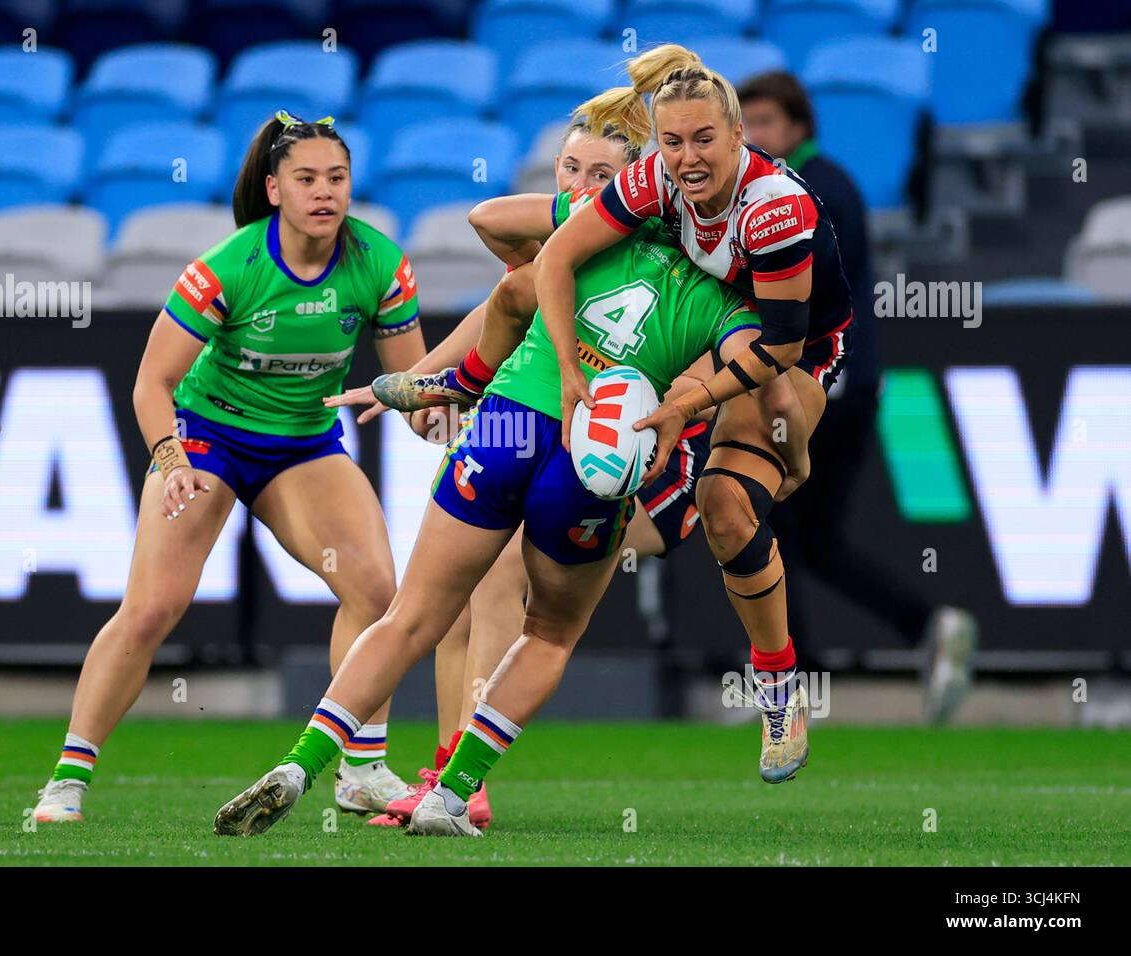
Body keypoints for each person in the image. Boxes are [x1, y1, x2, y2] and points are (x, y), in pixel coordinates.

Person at [212, 216, 761, 838]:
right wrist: (697, 402)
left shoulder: (594, 232)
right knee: (550, 634)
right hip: (597, 455)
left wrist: (453, 383)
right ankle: (455, 792)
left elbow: (500, 262)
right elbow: (764, 366)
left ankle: (301, 764)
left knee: (411, 616)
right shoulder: (732, 302)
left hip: (507, 423)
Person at [329, 124, 736, 828]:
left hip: (654, 467)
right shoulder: (569, 252)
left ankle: (464, 785)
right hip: (567, 444)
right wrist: (417, 383)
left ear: (635, 185)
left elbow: (716, 371)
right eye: (569, 168)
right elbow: (507, 307)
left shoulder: (667, 260)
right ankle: (446, 773)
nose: (580, 186)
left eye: (600, 173)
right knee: (454, 597)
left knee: (495, 576)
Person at [30, 112, 427, 824]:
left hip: (302, 443)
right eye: (306, 179)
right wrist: (170, 458)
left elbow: (414, 390)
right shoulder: (229, 266)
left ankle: (362, 770)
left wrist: (443, 409)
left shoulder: (381, 264)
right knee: (153, 608)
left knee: (375, 589)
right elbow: (150, 383)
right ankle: (67, 779)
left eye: (337, 178)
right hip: (206, 439)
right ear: (274, 189)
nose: (325, 193)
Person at [536, 43, 860, 783]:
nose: (687, 158)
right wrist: (565, 370)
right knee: (526, 245)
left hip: (797, 342)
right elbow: (556, 257)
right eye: (673, 140)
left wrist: (684, 400)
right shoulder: (652, 178)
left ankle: (778, 688)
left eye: (704, 139)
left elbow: (778, 346)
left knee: (728, 507)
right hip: (710, 322)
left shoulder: (775, 208)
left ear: (739, 135)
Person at [738, 71, 978, 721]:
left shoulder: (801, 190)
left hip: (824, 386)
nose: (754, 134)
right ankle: (925, 624)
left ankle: (792, 685)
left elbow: (801, 293)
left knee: (763, 523)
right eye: (747, 122)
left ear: (797, 127)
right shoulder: (825, 184)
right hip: (849, 381)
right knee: (808, 538)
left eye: (765, 121)